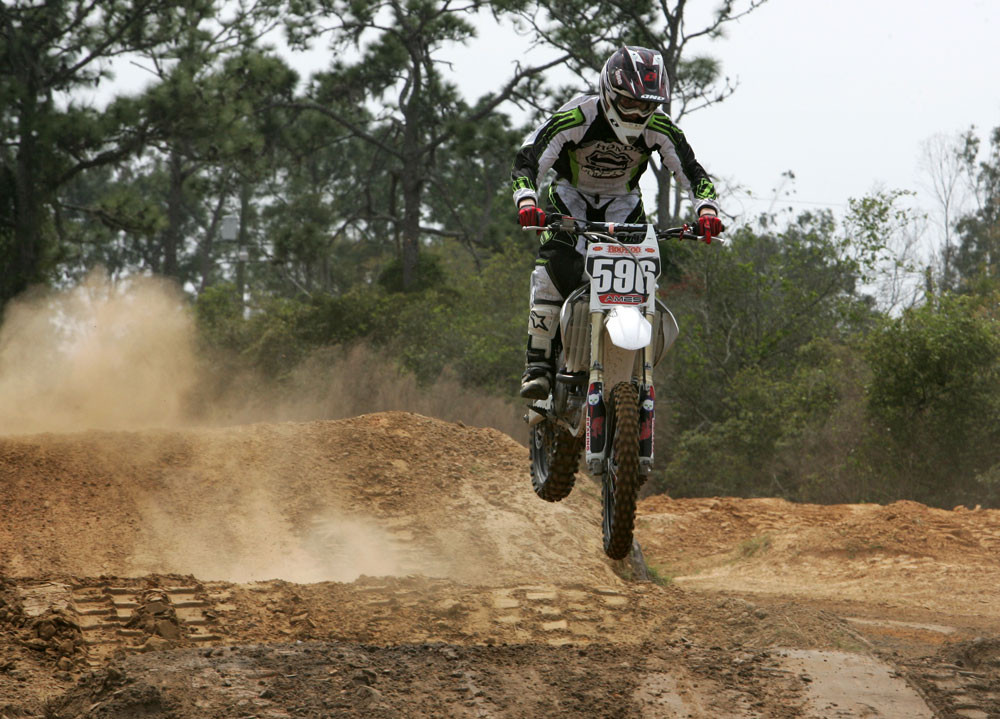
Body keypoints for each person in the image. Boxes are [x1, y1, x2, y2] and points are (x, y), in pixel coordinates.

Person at [512, 45, 724, 400]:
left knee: (644, 276)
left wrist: (707, 211)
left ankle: (634, 367)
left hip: (623, 205)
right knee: (555, 268)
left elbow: (691, 170)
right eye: (629, 102)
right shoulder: (578, 115)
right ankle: (538, 366)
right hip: (570, 197)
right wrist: (527, 200)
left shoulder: (659, 127)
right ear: (609, 92)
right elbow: (530, 157)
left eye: (646, 105)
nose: (638, 112)